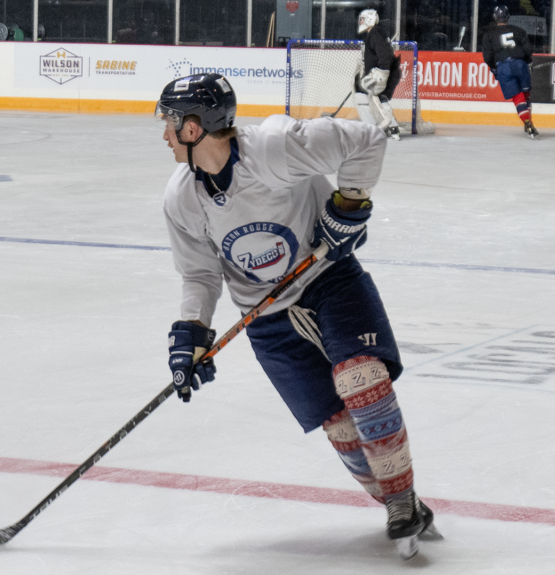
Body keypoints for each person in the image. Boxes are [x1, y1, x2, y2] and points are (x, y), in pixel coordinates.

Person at [156, 73, 438, 559]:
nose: (163, 134)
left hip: (328, 279)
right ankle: (403, 499)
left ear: (195, 128)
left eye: (171, 122)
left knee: (362, 381)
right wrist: (192, 333)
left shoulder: (273, 147)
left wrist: (349, 204)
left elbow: (367, 140)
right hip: (264, 317)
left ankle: (401, 504)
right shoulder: (182, 197)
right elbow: (201, 275)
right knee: (341, 428)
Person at [481, 5, 539, 138]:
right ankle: (529, 122)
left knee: (518, 98)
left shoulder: (489, 34)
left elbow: (487, 57)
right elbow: (528, 50)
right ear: (508, 17)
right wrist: (526, 61)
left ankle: (527, 123)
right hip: (520, 64)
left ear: (495, 17)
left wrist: (494, 68)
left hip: (504, 67)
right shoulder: (519, 30)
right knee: (525, 95)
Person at [355, 9, 402, 140]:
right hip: (387, 72)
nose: (361, 22)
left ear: (369, 19)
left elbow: (385, 54)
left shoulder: (375, 33)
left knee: (361, 96)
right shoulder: (375, 33)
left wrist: (382, 72)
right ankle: (393, 128)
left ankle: (374, 128)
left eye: (363, 19)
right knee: (381, 98)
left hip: (384, 72)